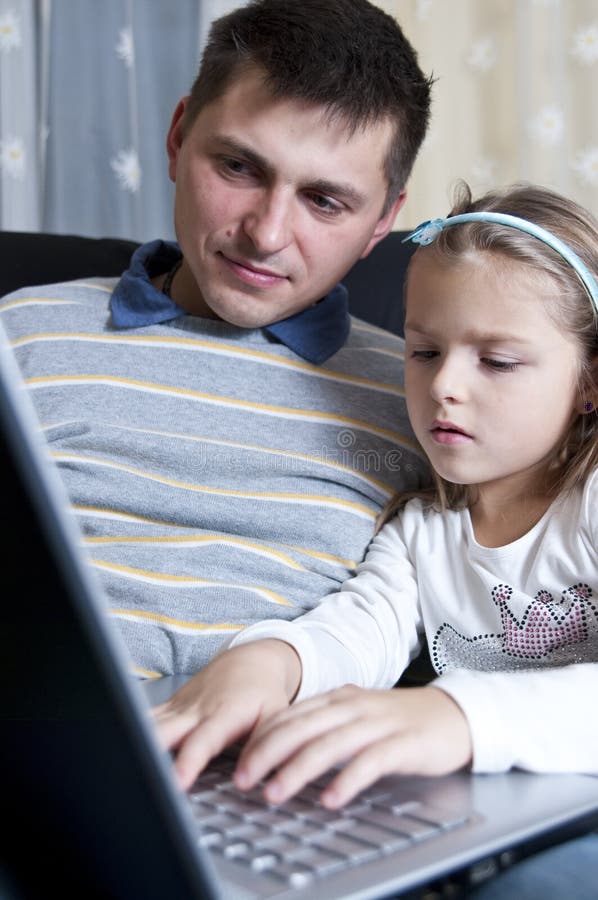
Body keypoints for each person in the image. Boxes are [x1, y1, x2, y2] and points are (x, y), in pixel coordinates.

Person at [154, 182, 598, 897]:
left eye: (498, 361)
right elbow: (360, 627)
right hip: (490, 817)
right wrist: (275, 663)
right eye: (424, 352)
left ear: (590, 383)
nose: (446, 386)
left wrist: (457, 714)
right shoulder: (423, 531)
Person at [0, 0, 432, 678]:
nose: (265, 233)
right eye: (238, 167)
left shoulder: (428, 403)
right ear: (177, 137)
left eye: (324, 200)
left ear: (382, 220)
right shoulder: (15, 336)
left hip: (268, 766)